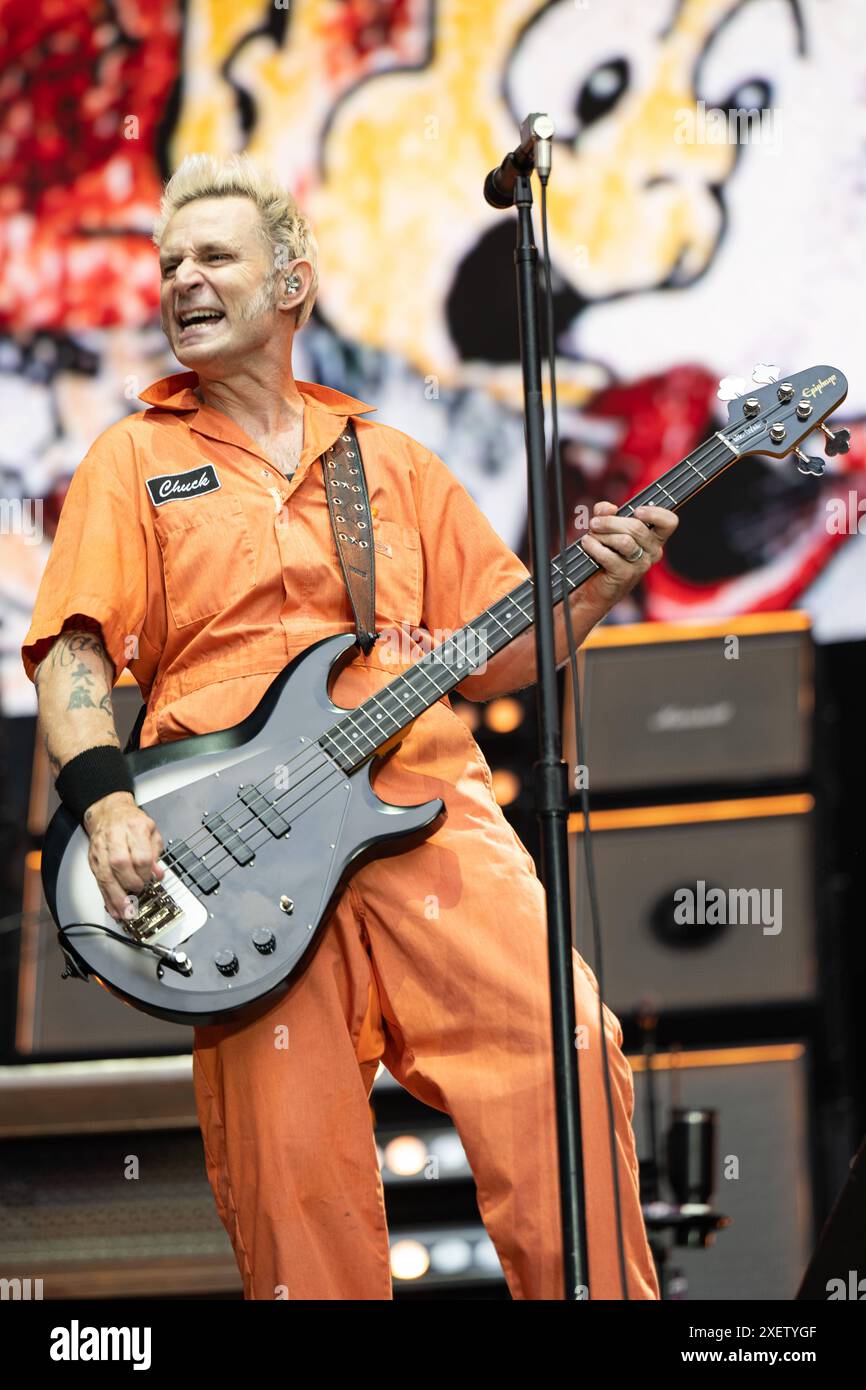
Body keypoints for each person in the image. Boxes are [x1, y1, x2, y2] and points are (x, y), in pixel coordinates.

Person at [22, 153, 678, 1300]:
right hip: (231, 855)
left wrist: (594, 589)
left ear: (292, 285)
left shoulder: (394, 460)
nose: (181, 279)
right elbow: (75, 651)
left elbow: (499, 653)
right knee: (293, 1180)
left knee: (565, 1053)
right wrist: (105, 797)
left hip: (423, 809)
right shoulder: (133, 458)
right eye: (168, 263)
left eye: (212, 257)